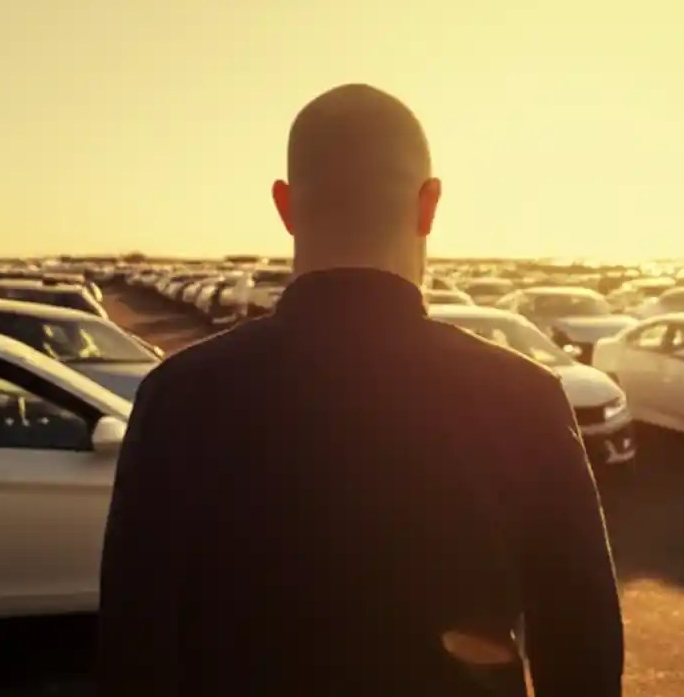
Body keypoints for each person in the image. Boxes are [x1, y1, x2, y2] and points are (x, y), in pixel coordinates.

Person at [98, 84, 623, 696]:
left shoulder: (177, 400)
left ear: (286, 206)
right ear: (429, 206)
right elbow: (582, 652)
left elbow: (133, 652)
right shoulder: (523, 399)